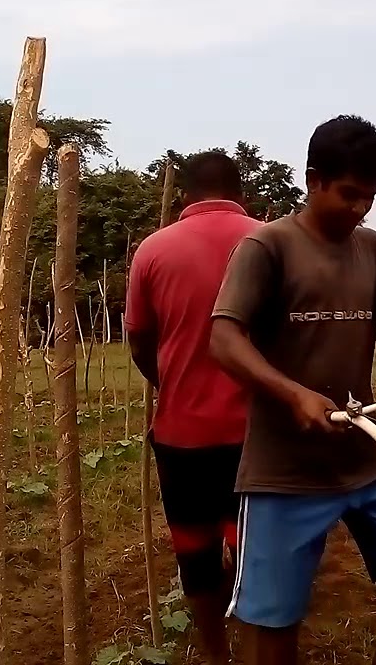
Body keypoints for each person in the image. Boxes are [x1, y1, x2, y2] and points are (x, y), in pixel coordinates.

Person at [209, 115, 376, 665]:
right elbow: (223, 339)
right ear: (313, 181)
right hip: (284, 470)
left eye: (372, 196)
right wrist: (294, 395)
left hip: (365, 454)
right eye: (349, 194)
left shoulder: (372, 249)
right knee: (274, 620)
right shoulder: (268, 247)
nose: (361, 207)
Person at [124, 150, 261, 663]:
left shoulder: (153, 250)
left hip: (183, 433)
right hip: (257, 432)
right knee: (253, 549)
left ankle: (213, 653)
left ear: (183, 195)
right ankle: (256, 645)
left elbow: (139, 340)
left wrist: (171, 384)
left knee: (195, 551)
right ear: (241, 192)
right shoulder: (267, 241)